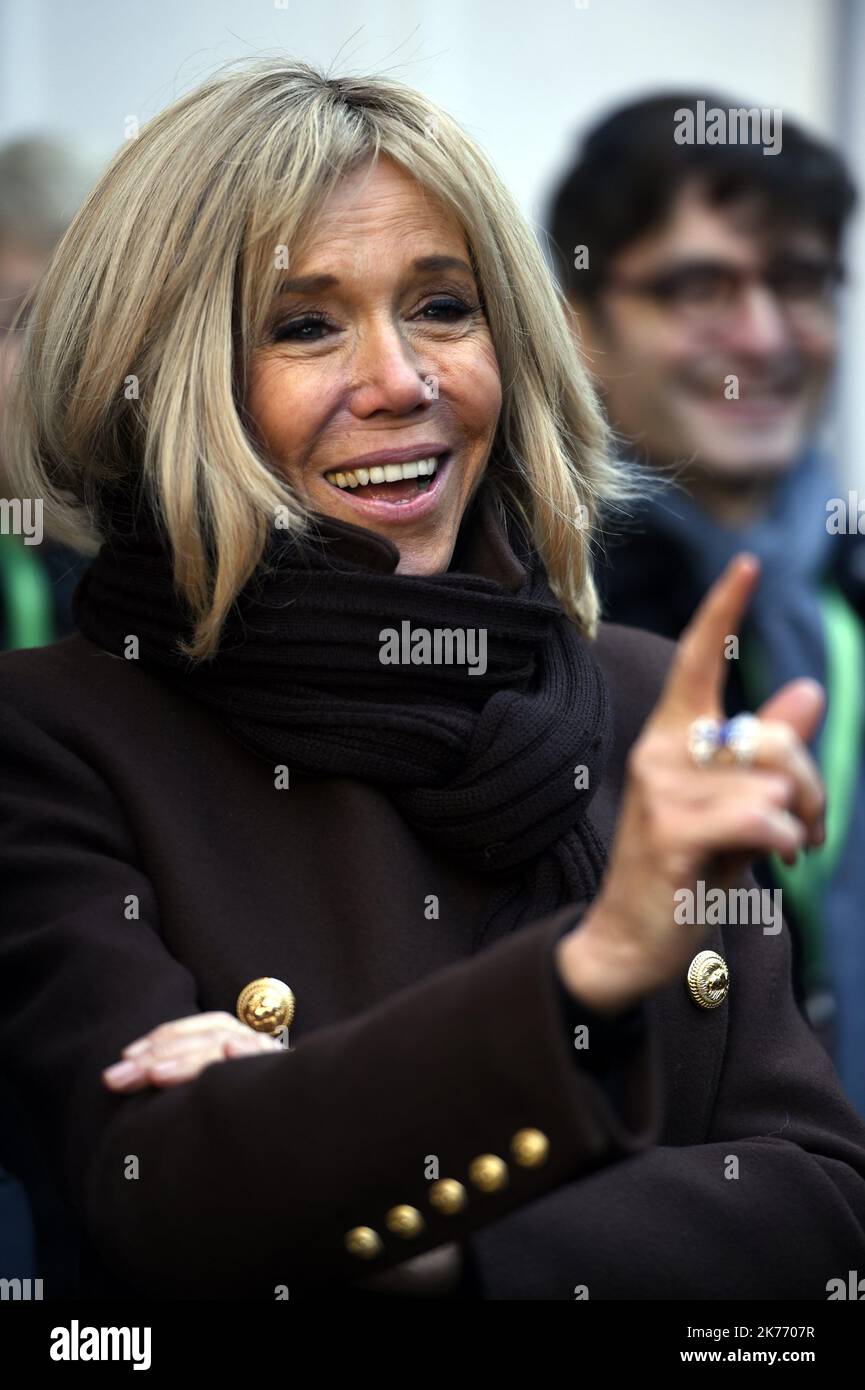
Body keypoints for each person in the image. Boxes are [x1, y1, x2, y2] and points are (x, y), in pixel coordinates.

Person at [0, 59, 863, 1301]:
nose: (402, 381)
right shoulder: (55, 736)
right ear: (166, 378)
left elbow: (822, 1206)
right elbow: (161, 1194)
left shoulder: (645, 697)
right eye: (304, 324)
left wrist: (442, 1245)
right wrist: (589, 972)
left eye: (443, 308)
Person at [547, 93, 865, 1117]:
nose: (762, 334)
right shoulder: (538, 615)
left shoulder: (846, 584)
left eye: (800, 280)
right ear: (579, 323)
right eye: (697, 286)